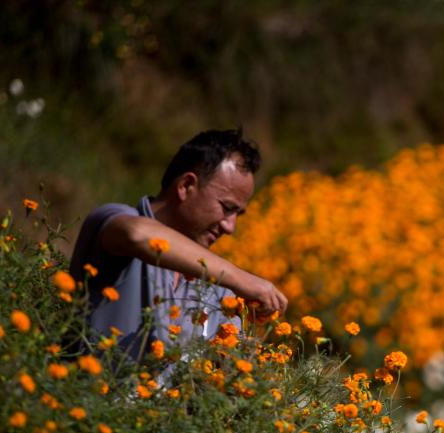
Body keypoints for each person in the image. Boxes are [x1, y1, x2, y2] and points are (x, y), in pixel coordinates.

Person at [69, 128, 287, 356]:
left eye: (237, 214)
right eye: (226, 208)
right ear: (185, 186)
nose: (230, 227)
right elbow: (137, 234)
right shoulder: (114, 221)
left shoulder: (220, 292)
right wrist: (239, 278)